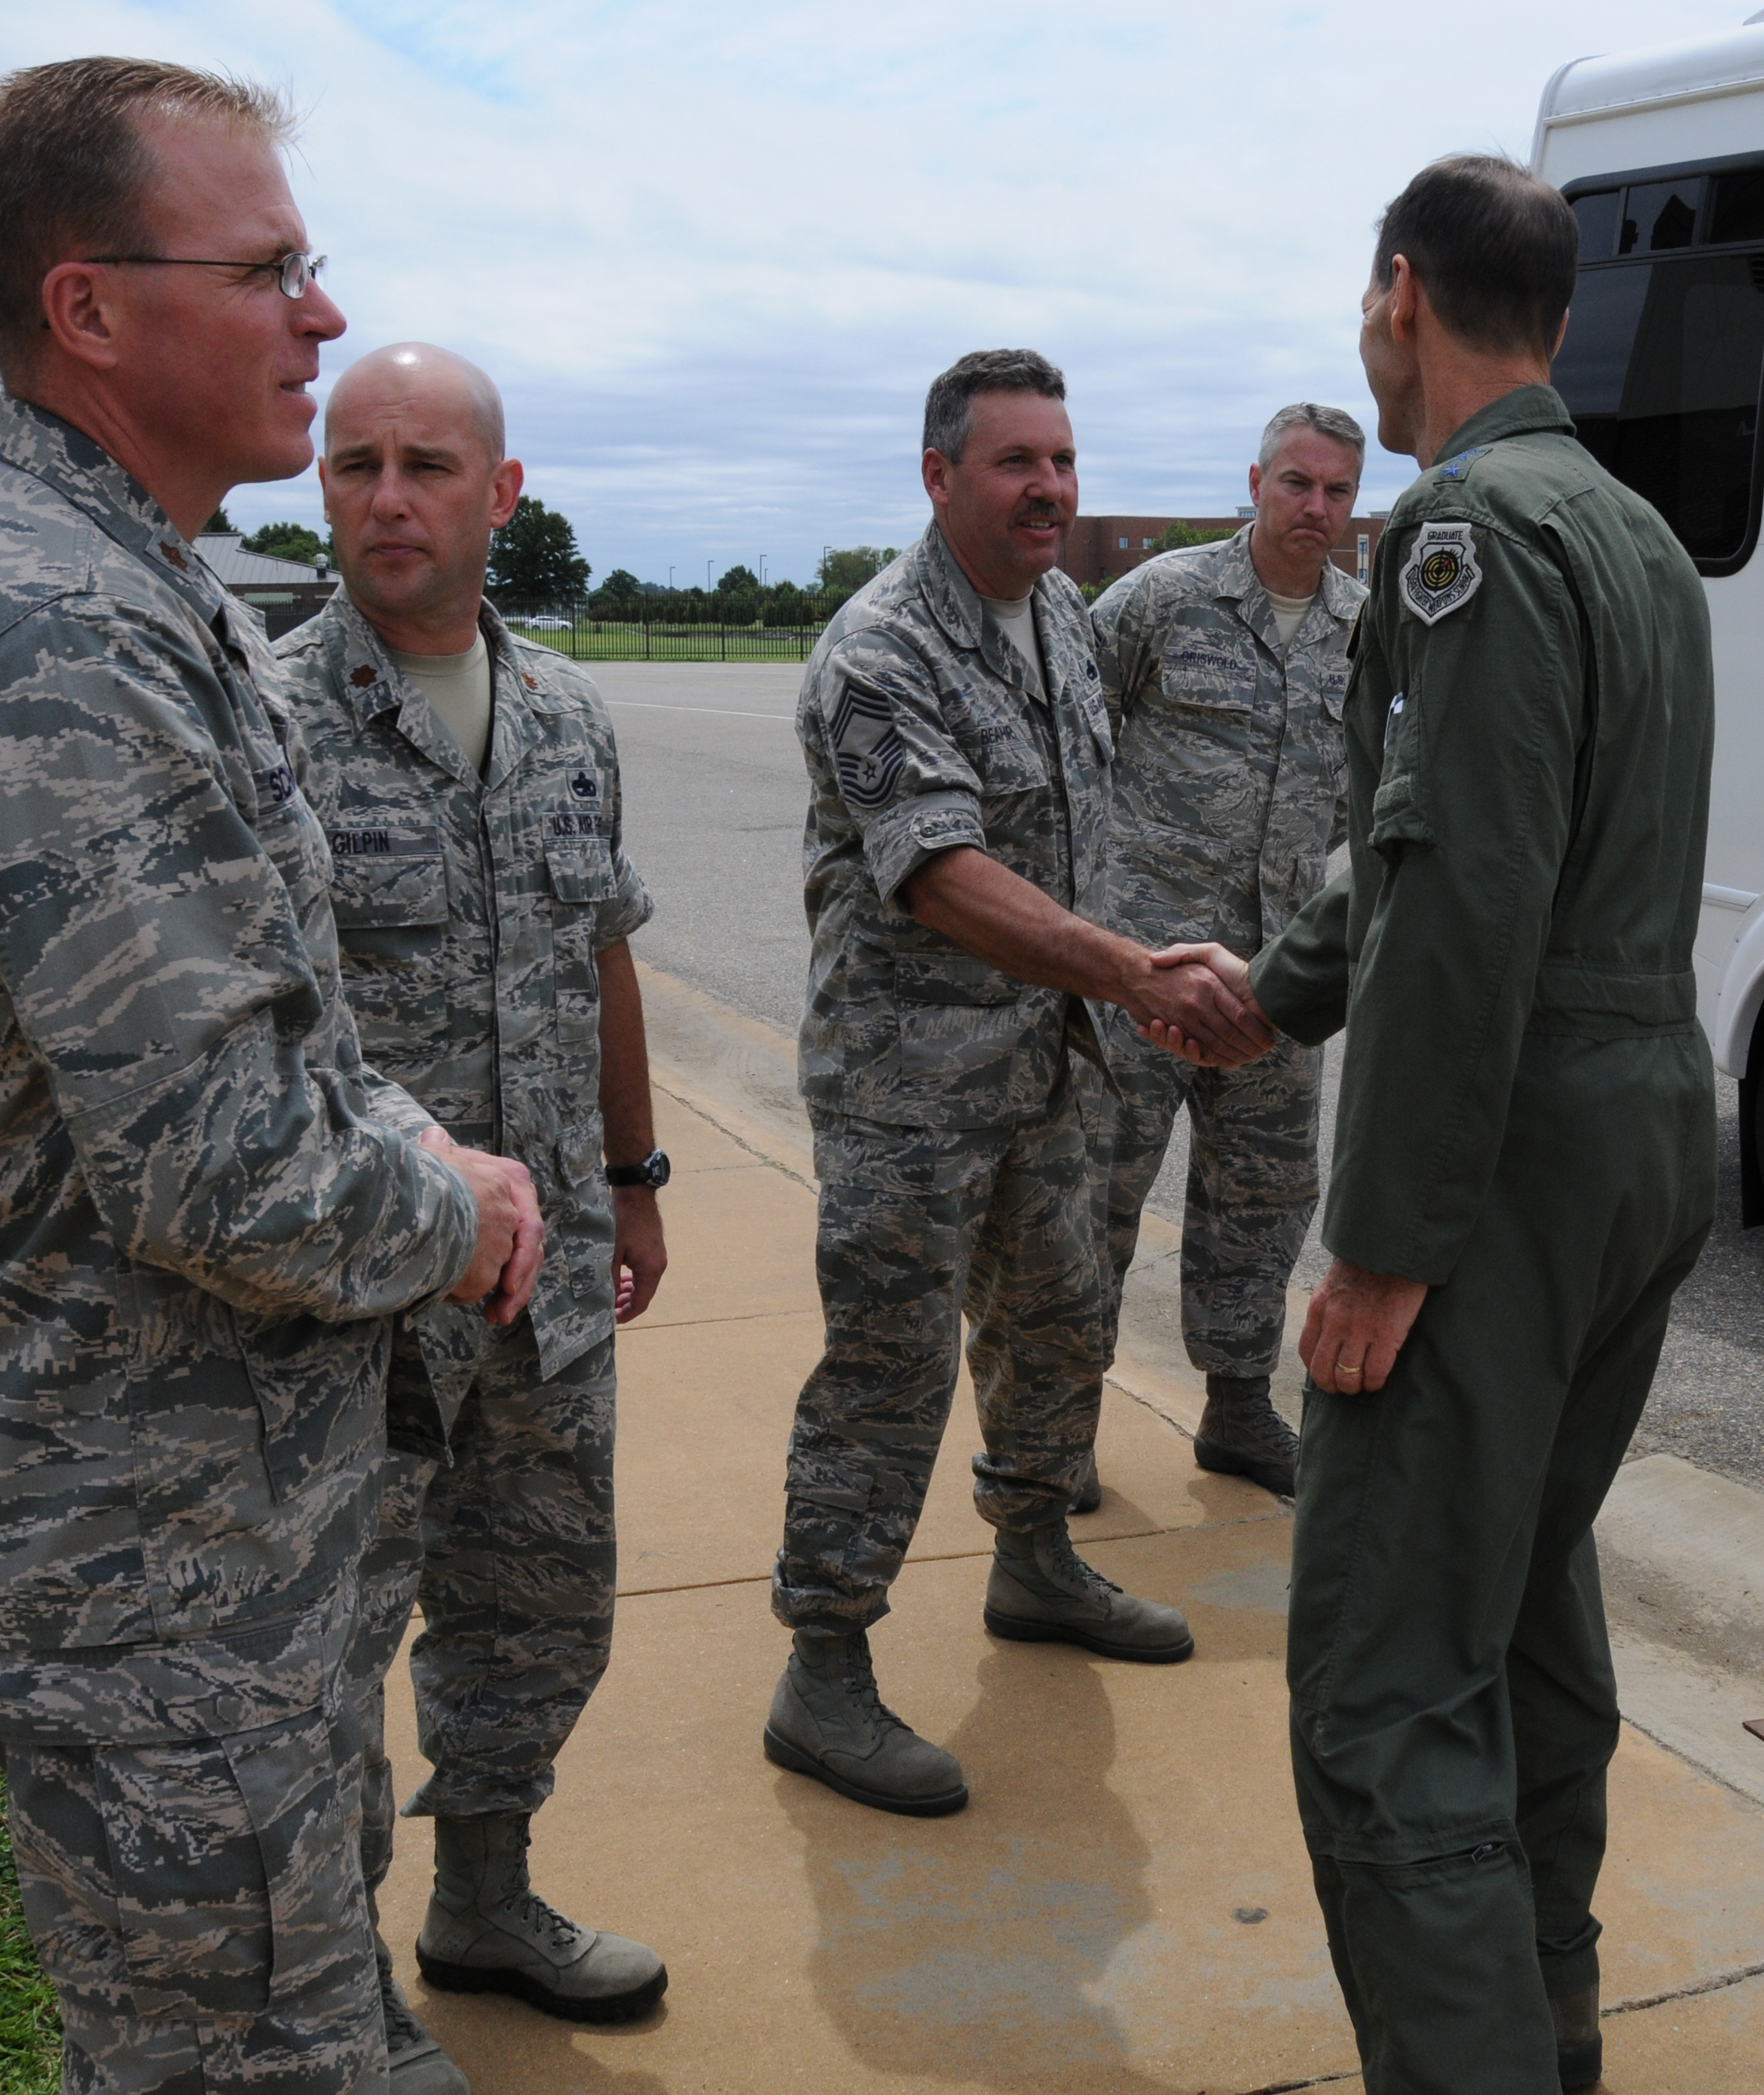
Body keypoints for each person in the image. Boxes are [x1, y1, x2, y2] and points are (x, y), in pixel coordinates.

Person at [0, 59, 542, 2095]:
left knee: (299, 1993)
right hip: (138, 1549)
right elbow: (221, 1169)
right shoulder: (47, 627)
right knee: (235, 2049)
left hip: (234, 1518)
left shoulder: (152, 590)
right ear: (89, 312)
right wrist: (465, 1205)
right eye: (268, 270)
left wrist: (407, 1131)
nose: (319, 315)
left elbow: (276, 1017)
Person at [1158, 158, 1716, 2093]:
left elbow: (1470, 891)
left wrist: (1385, 1234)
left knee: (1389, 1680)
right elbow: (1444, 858)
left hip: (1510, 1152)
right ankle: (1546, 2023)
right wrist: (1275, 991)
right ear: (1554, 316)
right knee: (1532, 1609)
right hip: (1645, 1130)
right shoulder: (1634, 532)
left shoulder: (1465, 531)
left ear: (1401, 293)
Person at [763, 348, 1274, 1818]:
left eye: (1062, 458)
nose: (1050, 486)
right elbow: (937, 873)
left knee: (1062, 1312)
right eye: (1015, 462)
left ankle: (1036, 1554)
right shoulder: (878, 651)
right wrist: (1132, 971)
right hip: (907, 1082)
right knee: (890, 1363)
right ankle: (826, 1663)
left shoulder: (1059, 614)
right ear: (940, 478)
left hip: (1053, 1064)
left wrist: (1127, 986)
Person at [277, 344, 669, 2065]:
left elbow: (604, 958)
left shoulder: (570, 711)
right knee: (326, 1659)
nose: (385, 497)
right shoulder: (267, 722)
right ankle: (341, 1983)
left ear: (498, 493)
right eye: (353, 461)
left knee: (541, 1602)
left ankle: (486, 1897)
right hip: (360, 1303)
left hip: (554, 1279)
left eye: (425, 463)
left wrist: (638, 1178)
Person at [1087, 404, 1367, 1497]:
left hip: (1278, 978)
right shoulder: (1162, 598)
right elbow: (1074, 732)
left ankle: (1238, 1412)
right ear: (1253, 482)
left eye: (1338, 491)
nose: (1317, 509)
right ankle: (1059, 1427)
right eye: (1297, 483)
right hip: (1138, 971)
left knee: (1262, 1198)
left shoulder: (1370, 627)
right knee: (1095, 1196)